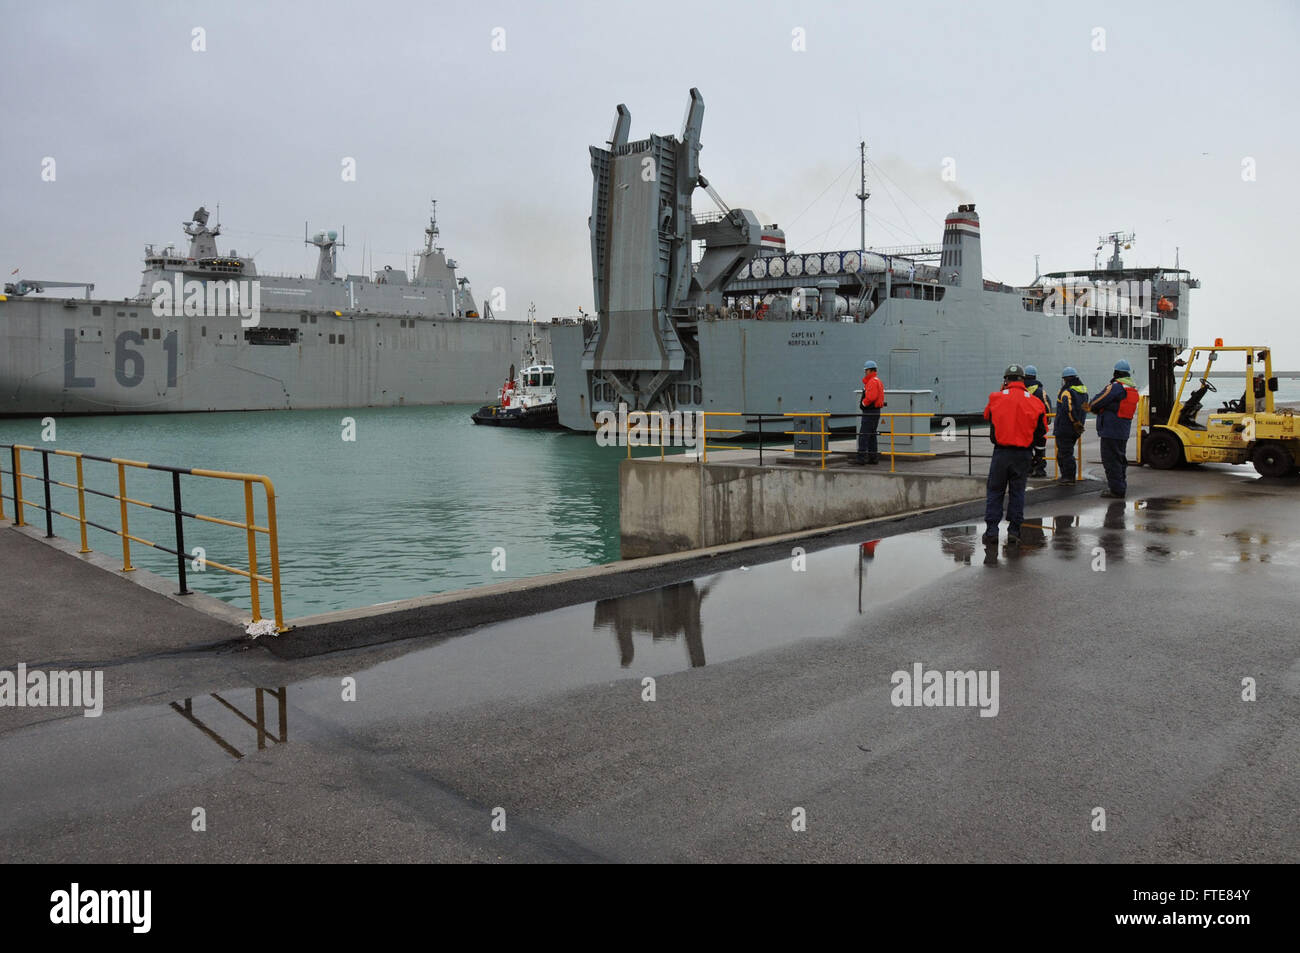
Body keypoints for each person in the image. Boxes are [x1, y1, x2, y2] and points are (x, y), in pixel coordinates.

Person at [982, 364, 1047, 544]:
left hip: (1001, 454)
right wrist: (1038, 457)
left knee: (995, 491)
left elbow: (987, 415)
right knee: (1018, 493)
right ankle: (1014, 532)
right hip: (1023, 455)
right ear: (1023, 380)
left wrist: (1003, 393)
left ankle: (992, 532)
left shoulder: (996, 398)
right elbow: (1041, 432)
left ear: (1006, 380)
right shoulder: (1035, 402)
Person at [1088, 359, 1140, 498]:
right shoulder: (1132, 388)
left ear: (1116, 372)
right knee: (1120, 460)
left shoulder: (1116, 387)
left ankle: (1116, 490)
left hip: (1110, 430)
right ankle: (1120, 486)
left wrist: (1097, 407)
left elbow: (1096, 402)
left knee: (1111, 461)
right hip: (1123, 431)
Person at [1054, 366, 1088, 483]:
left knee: (1065, 453)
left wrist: (1074, 422)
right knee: (1066, 452)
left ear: (1065, 379)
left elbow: (1068, 409)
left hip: (1065, 428)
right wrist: (1080, 424)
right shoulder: (1084, 392)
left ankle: (1068, 477)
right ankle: (1066, 476)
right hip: (1077, 429)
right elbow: (1085, 408)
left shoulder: (1067, 392)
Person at [1023, 365, 1051, 477]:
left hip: (1024, 426)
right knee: (1040, 447)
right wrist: (1047, 420)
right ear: (1035, 376)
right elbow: (1047, 407)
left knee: (1026, 448)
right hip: (1038, 425)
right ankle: (1040, 469)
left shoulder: (1020, 390)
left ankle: (1028, 469)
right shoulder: (1040, 391)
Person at [855, 360, 885, 465]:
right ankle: (873, 457)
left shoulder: (872, 381)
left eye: (866, 370)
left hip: (870, 412)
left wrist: (863, 404)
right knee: (872, 435)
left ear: (870, 370)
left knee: (863, 435)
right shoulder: (878, 381)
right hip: (876, 412)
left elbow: (871, 397)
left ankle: (861, 458)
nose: (865, 372)